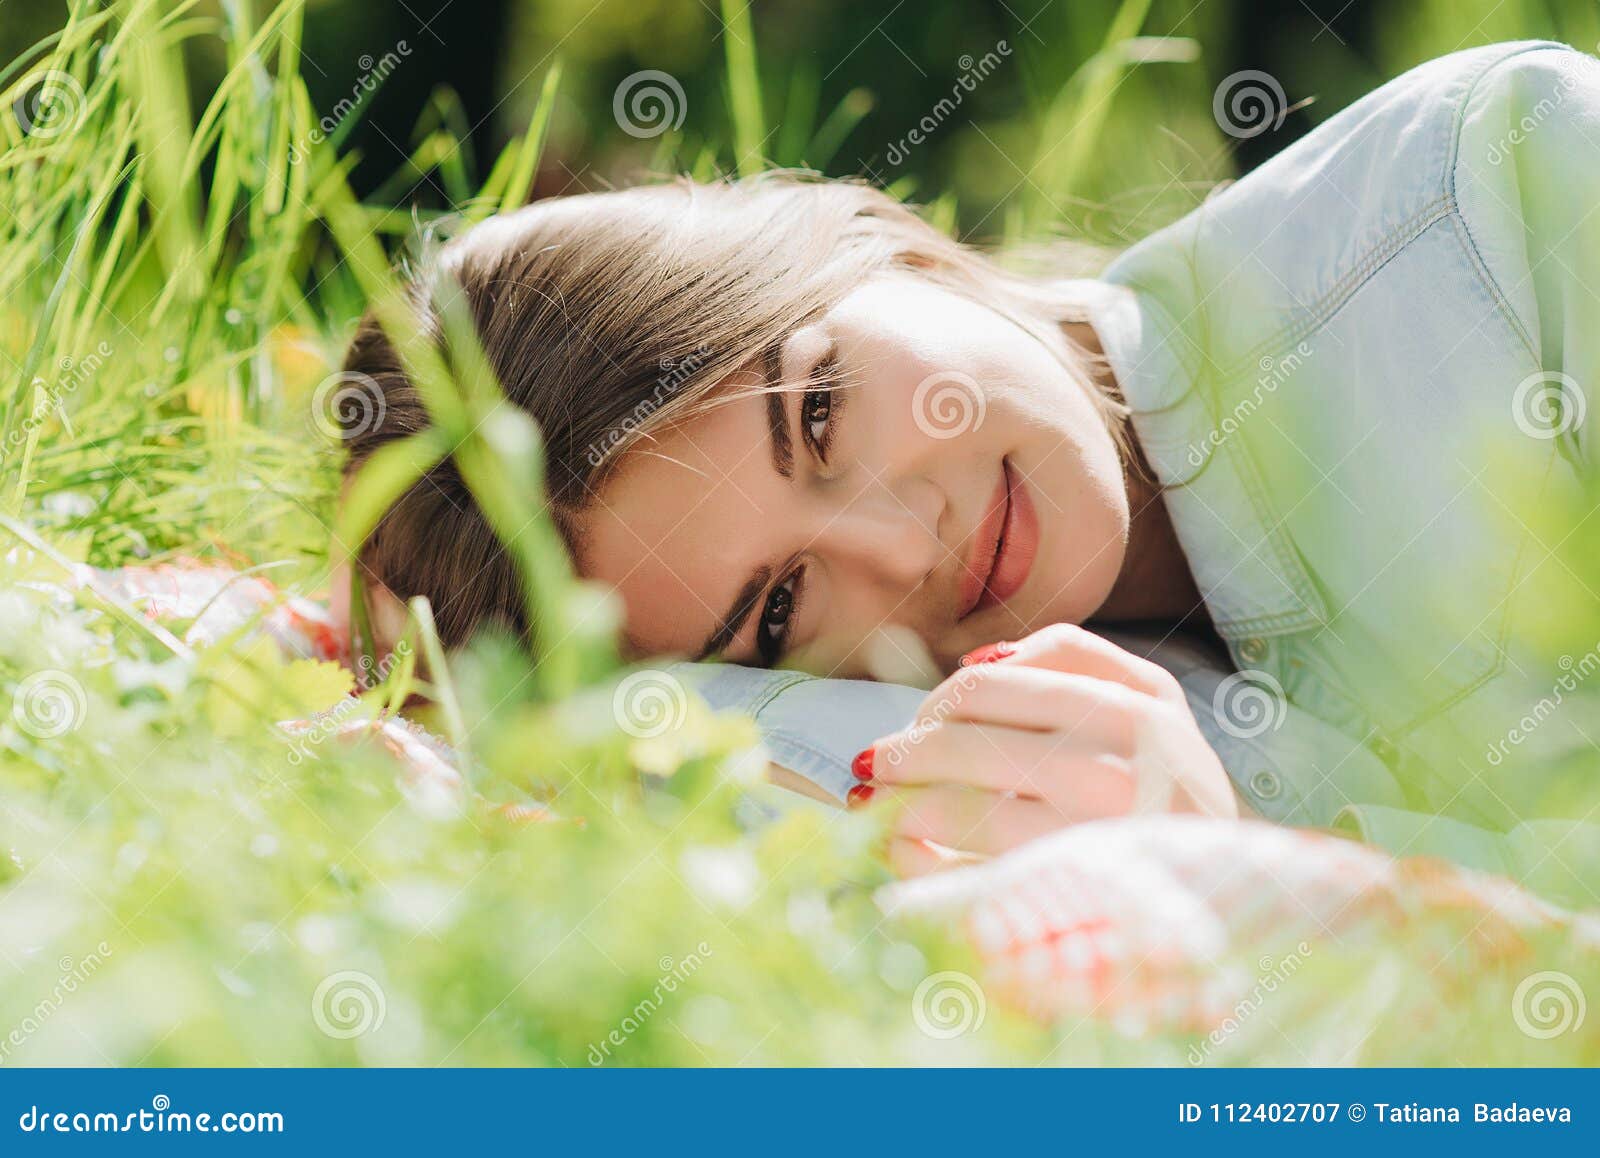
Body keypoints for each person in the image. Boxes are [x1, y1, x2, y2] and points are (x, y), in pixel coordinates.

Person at [336, 40, 1600, 904]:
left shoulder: (1508, 192)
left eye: (820, 415)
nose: (900, 548)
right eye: (778, 608)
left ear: (871, 237)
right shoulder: (970, 757)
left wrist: (1293, 865)